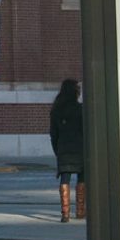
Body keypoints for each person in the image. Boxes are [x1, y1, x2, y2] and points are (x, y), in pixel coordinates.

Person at [50, 79, 86, 222]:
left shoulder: (56, 110)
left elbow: (53, 134)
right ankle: (80, 211)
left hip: (63, 148)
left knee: (65, 178)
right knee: (82, 178)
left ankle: (65, 213)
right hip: (80, 148)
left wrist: (57, 150)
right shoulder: (80, 109)